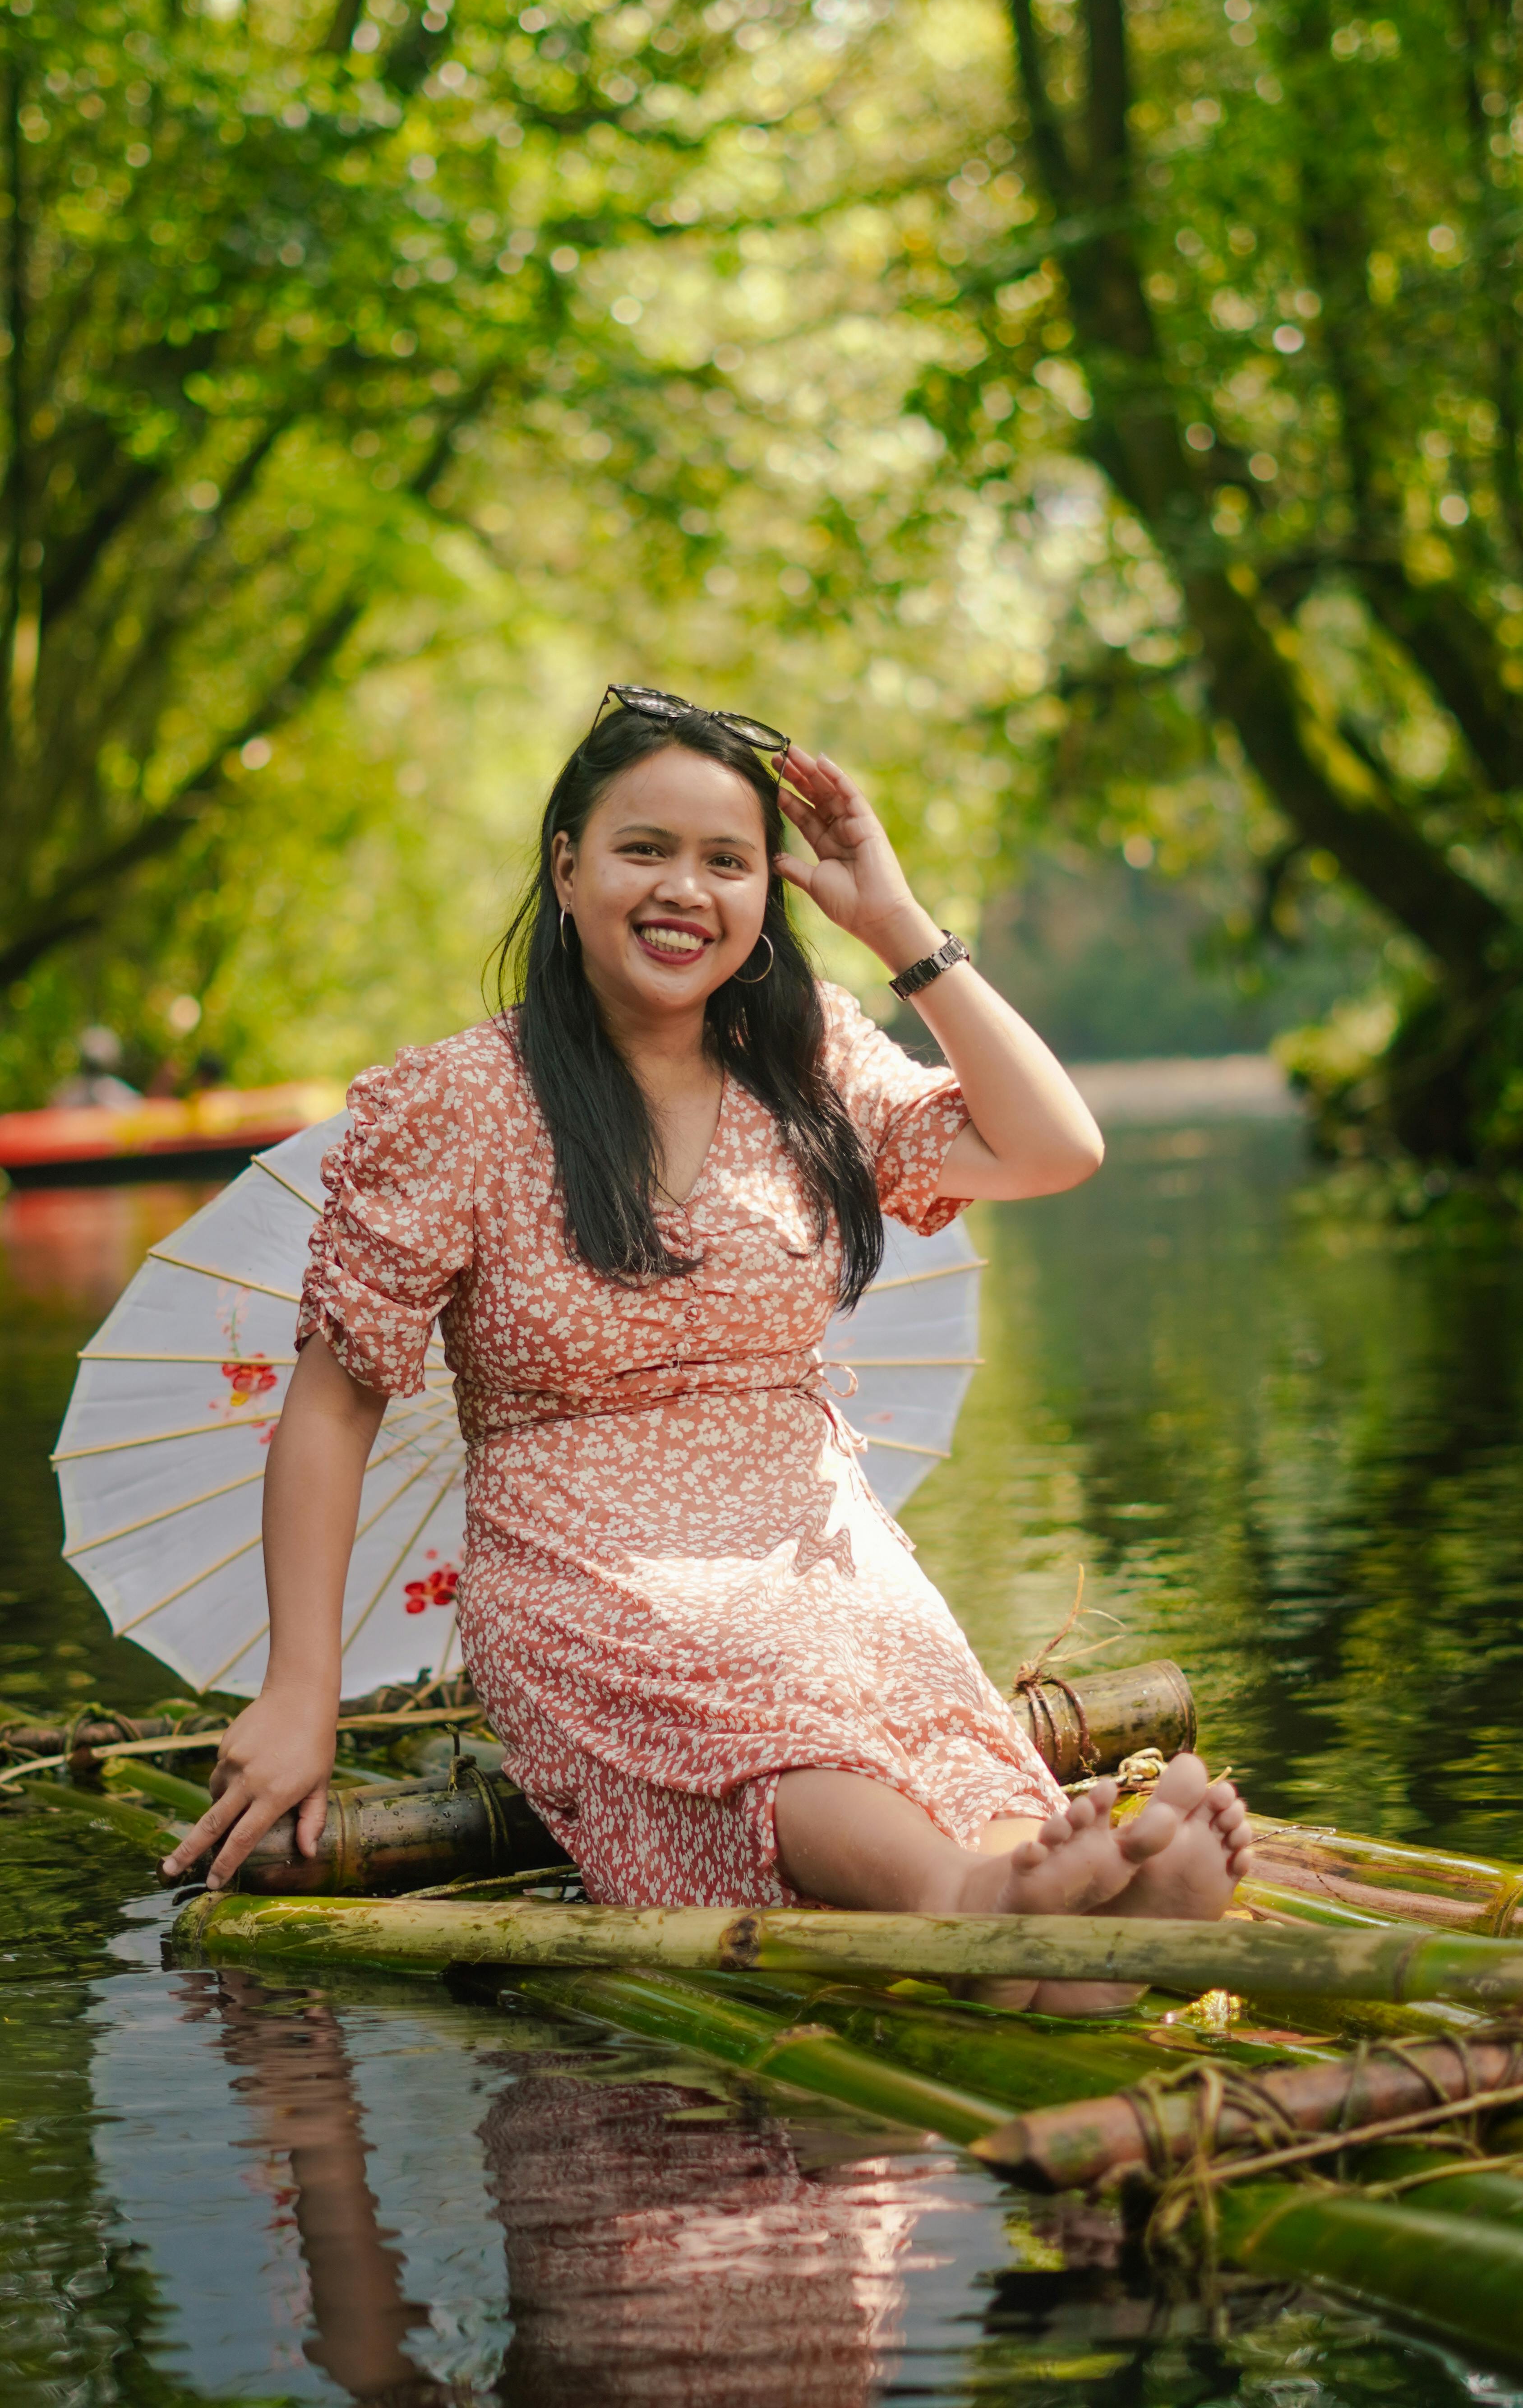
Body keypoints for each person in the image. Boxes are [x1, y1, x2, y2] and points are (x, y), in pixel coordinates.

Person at [166, 688, 1251, 2009]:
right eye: (645, 850)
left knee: (908, 1711)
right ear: (566, 868)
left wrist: (897, 923)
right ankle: (972, 1907)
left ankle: (1067, 1901)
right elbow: (332, 1411)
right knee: (759, 1704)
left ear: (764, 901)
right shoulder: (455, 1105)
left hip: (809, 1534)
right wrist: (301, 1692)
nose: (687, 889)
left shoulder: (807, 1067)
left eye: (727, 861)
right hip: (585, 1556)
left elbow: (1054, 1147)